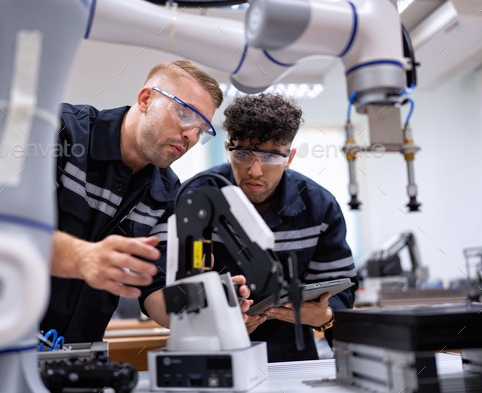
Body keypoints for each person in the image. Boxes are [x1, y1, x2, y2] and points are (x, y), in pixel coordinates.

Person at [41, 60, 245, 343]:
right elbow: (5, 231)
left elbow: (156, 293)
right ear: (146, 99)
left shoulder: (168, 193)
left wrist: (207, 303)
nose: (190, 136)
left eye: (201, 130)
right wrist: (83, 257)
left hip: (78, 356)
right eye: (186, 114)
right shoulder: (61, 134)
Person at [146, 93, 358, 362]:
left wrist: (324, 317)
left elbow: (340, 289)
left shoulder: (318, 206)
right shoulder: (196, 199)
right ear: (227, 149)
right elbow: (160, 285)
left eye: (271, 156)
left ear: (289, 157)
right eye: (243, 153)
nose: (255, 171)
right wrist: (214, 320)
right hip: (214, 357)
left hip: (292, 360)